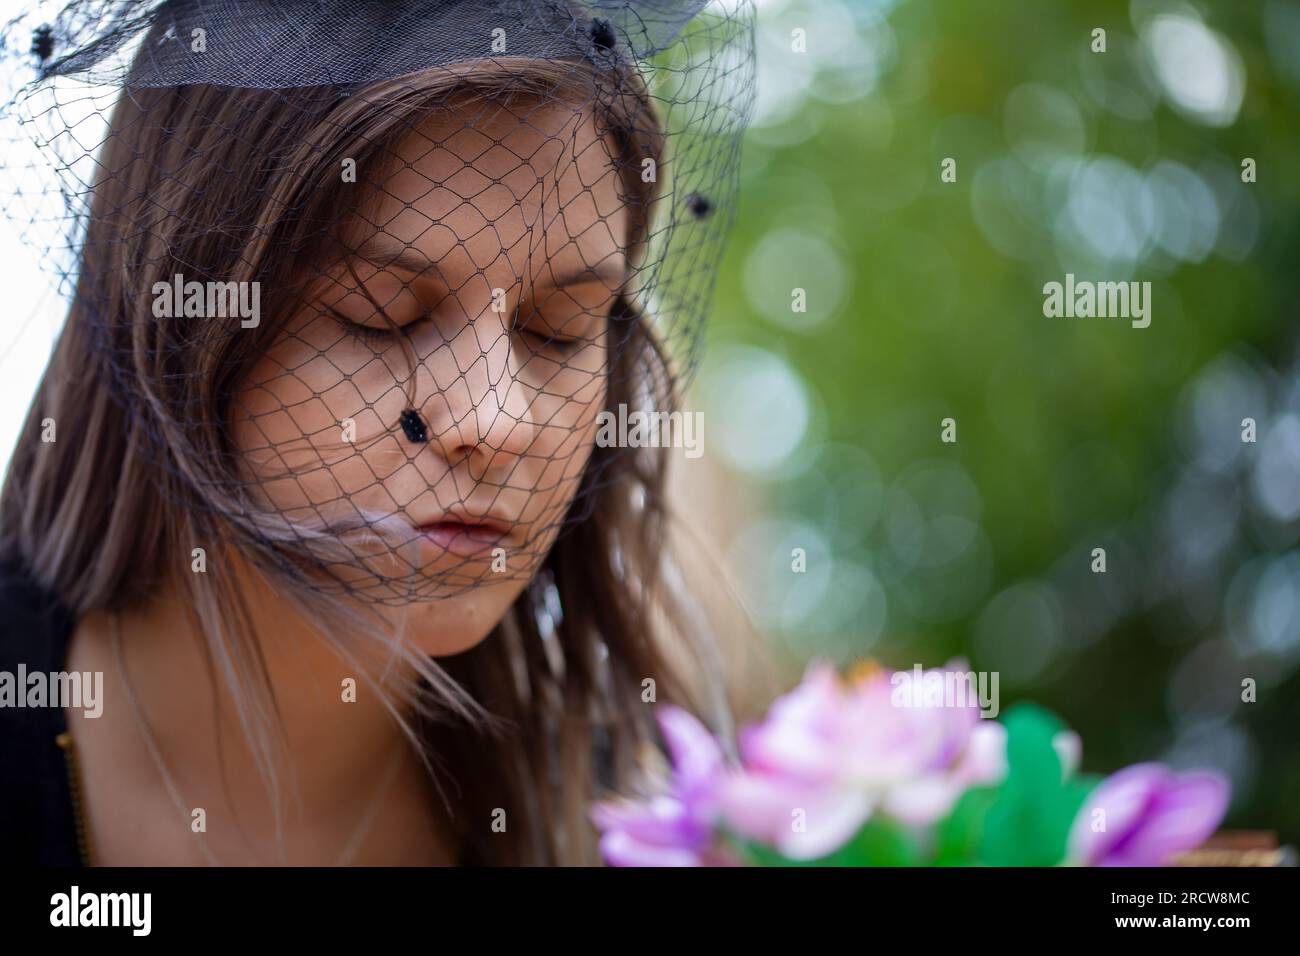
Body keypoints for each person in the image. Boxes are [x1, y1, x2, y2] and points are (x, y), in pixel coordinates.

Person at [0, 0, 754, 865]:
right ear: (181, 322)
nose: (494, 421)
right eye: (380, 317)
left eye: (559, 328)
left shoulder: (628, 820)